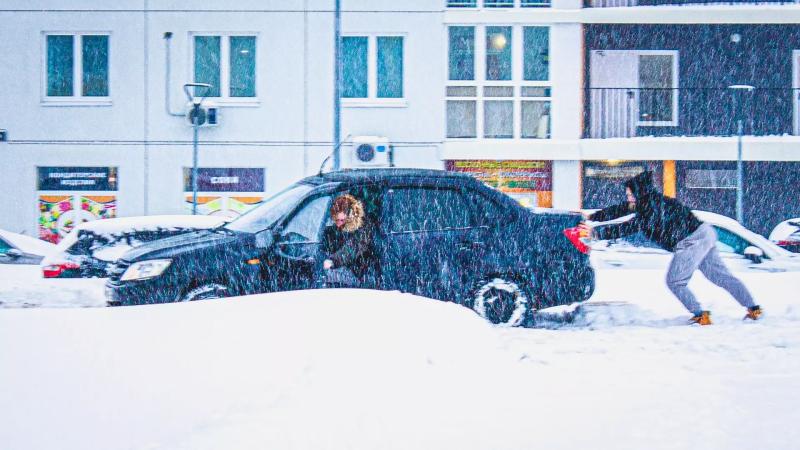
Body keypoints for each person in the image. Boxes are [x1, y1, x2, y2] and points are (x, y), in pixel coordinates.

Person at [587, 170, 762, 325]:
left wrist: (595, 234)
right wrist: (593, 217)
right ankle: (753, 309)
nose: (628, 199)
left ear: (639, 194)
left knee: (675, 281)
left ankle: (701, 316)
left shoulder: (651, 210)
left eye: (630, 195)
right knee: (720, 276)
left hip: (691, 241)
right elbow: (620, 210)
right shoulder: (650, 202)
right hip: (703, 233)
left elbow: (628, 227)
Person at [321, 194, 377, 288]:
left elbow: (354, 247)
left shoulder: (364, 228)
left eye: (341, 220)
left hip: (364, 276)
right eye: (336, 220)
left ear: (350, 216)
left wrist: (333, 261)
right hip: (345, 276)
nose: (338, 224)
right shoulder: (333, 230)